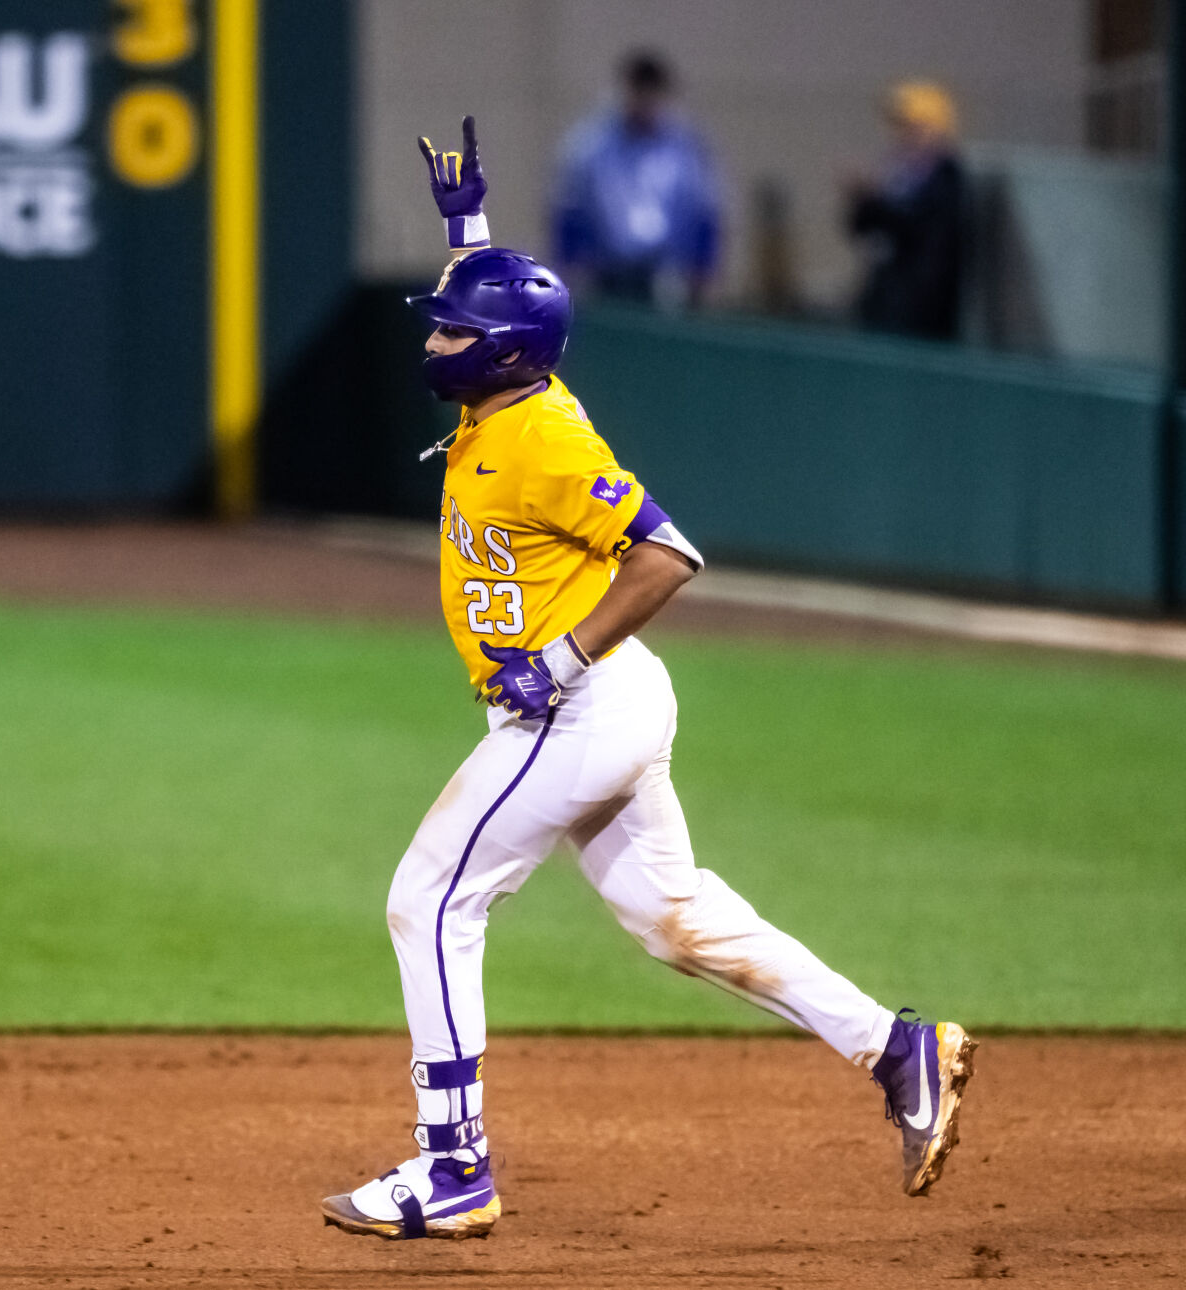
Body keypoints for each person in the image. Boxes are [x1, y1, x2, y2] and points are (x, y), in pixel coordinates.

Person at [318, 117, 977, 1242]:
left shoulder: (543, 440)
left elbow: (670, 553)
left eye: (450, 334)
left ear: (498, 354)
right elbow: (491, 311)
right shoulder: (501, 398)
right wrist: (467, 232)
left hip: (580, 704)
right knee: (674, 920)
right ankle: (896, 1048)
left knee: (427, 899)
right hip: (606, 701)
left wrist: (560, 658)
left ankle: (452, 1168)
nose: (433, 343)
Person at [550, 52, 721, 307]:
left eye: (652, 95)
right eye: (638, 93)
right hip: (604, 272)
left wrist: (702, 268)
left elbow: (704, 209)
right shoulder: (592, 144)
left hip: (666, 274)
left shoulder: (684, 145)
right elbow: (570, 206)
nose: (645, 104)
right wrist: (569, 266)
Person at [844, 80, 969, 340]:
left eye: (914, 127)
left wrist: (875, 200)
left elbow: (921, 230)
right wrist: (864, 200)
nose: (905, 135)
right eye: (902, 127)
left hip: (921, 310)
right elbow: (863, 228)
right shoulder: (899, 174)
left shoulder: (945, 179)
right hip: (886, 298)